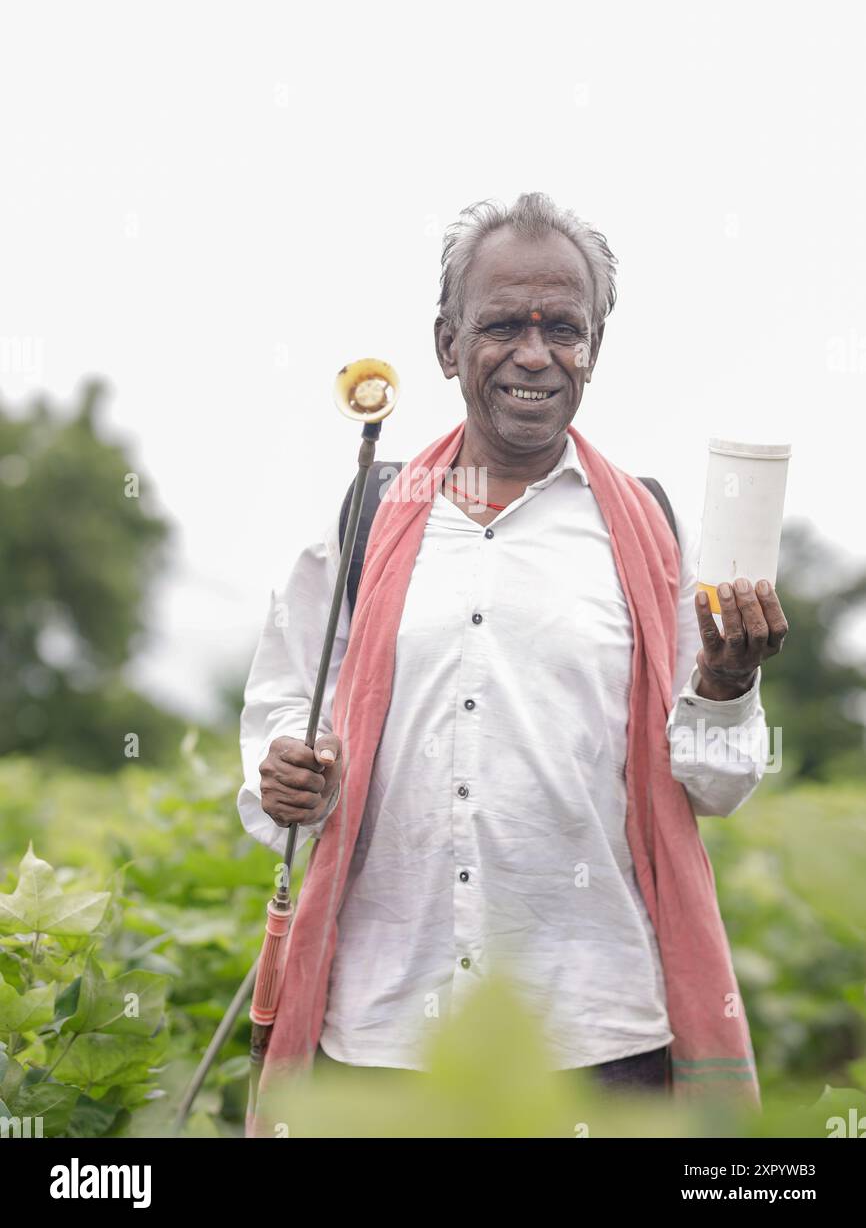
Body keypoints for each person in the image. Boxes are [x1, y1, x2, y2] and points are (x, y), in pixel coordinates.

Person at [238, 192, 788, 1107]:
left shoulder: (649, 536)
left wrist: (727, 687)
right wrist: (285, 770)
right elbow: (281, 710)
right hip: (384, 1034)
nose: (535, 353)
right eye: (502, 324)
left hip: (594, 1043)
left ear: (595, 348)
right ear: (448, 344)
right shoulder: (362, 523)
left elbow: (718, 785)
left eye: (563, 327)